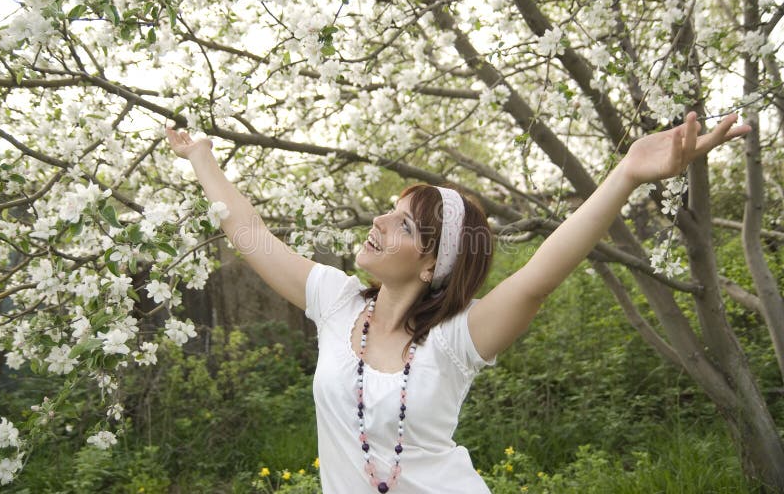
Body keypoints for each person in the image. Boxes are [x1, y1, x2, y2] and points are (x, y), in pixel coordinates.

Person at [165, 112, 750, 493]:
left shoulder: (454, 340)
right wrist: (202, 160)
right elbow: (251, 235)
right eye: (387, 211)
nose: (378, 221)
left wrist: (626, 173)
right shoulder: (337, 302)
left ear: (430, 264)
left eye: (401, 224)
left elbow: (540, 275)